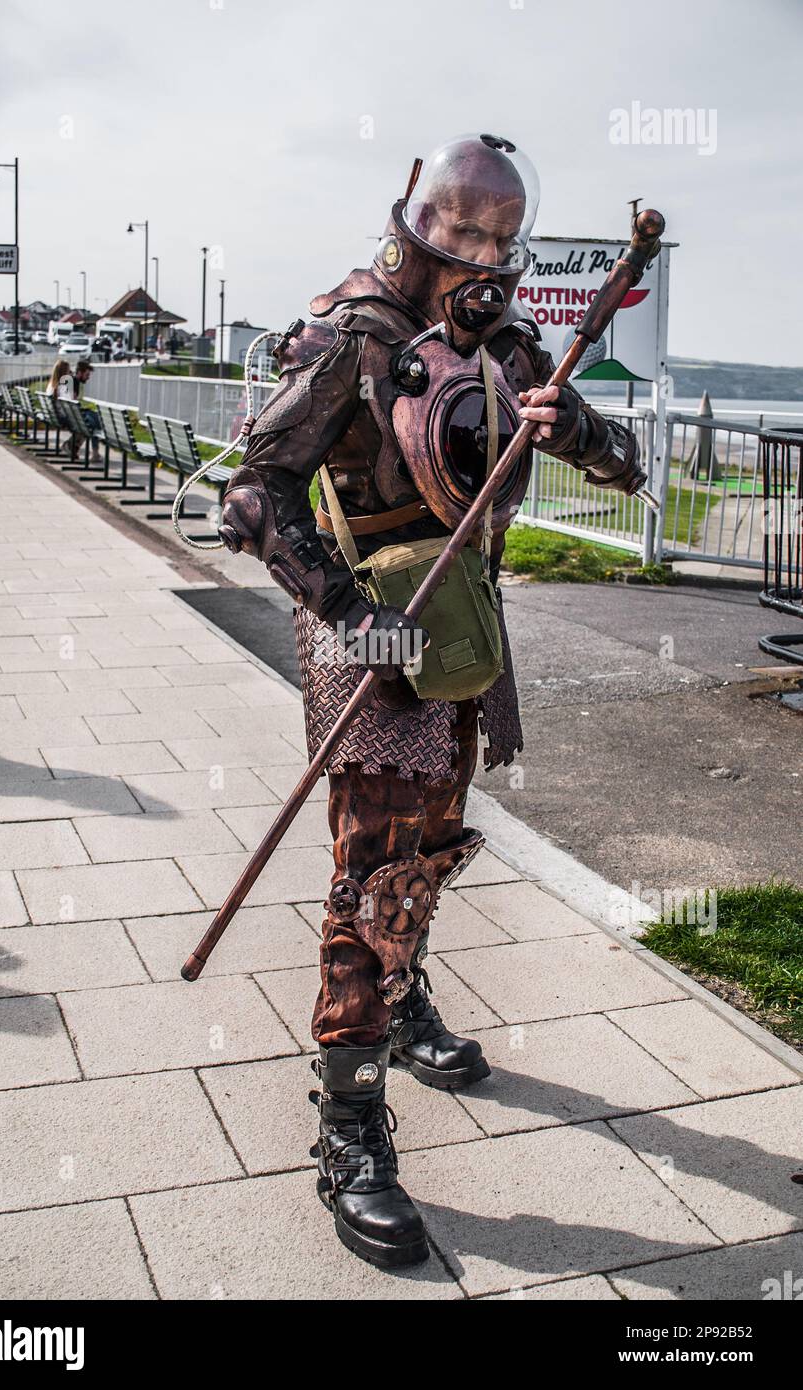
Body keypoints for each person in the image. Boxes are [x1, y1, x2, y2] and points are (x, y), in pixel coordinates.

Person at [216, 133, 646, 1269]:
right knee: (371, 880)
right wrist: (356, 621)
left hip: (462, 630)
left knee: (437, 842)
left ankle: (402, 1006)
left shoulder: (501, 339)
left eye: (502, 240)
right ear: (418, 221)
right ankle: (351, 1129)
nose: (484, 257)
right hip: (371, 626)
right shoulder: (351, 333)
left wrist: (578, 428)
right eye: (466, 233)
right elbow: (252, 495)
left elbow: (624, 466)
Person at [46, 357, 100, 462]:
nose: (70, 372)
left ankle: (75, 448)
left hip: (55, 415)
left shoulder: (52, 384)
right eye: (68, 371)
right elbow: (70, 404)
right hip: (64, 417)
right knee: (91, 422)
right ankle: (79, 448)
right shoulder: (66, 382)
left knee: (92, 418)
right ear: (63, 372)